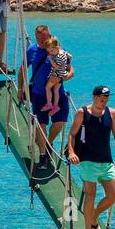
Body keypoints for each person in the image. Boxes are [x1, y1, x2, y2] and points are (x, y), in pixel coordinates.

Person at [67, 85, 115, 229]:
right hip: (87, 161)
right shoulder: (82, 113)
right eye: (102, 97)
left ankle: (93, 216)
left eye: (107, 98)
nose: (104, 100)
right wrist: (72, 152)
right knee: (90, 196)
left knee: (113, 196)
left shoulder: (112, 113)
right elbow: (72, 134)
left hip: (106, 160)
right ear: (94, 97)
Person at [25, 24, 74, 174]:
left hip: (58, 91)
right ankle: (43, 155)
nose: (41, 40)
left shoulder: (59, 51)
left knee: (59, 123)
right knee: (42, 125)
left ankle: (48, 143)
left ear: (49, 36)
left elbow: (70, 70)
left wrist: (67, 76)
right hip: (39, 94)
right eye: (38, 38)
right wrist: (21, 88)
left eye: (44, 37)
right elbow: (23, 68)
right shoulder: (32, 50)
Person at [41, 36, 72, 114]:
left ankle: (49, 104)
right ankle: (56, 106)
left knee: (47, 88)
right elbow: (70, 56)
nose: (51, 53)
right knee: (55, 90)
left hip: (56, 75)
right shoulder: (63, 52)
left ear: (57, 47)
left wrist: (50, 59)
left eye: (52, 50)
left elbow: (56, 66)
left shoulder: (58, 56)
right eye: (49, 51)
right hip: (61, 75)